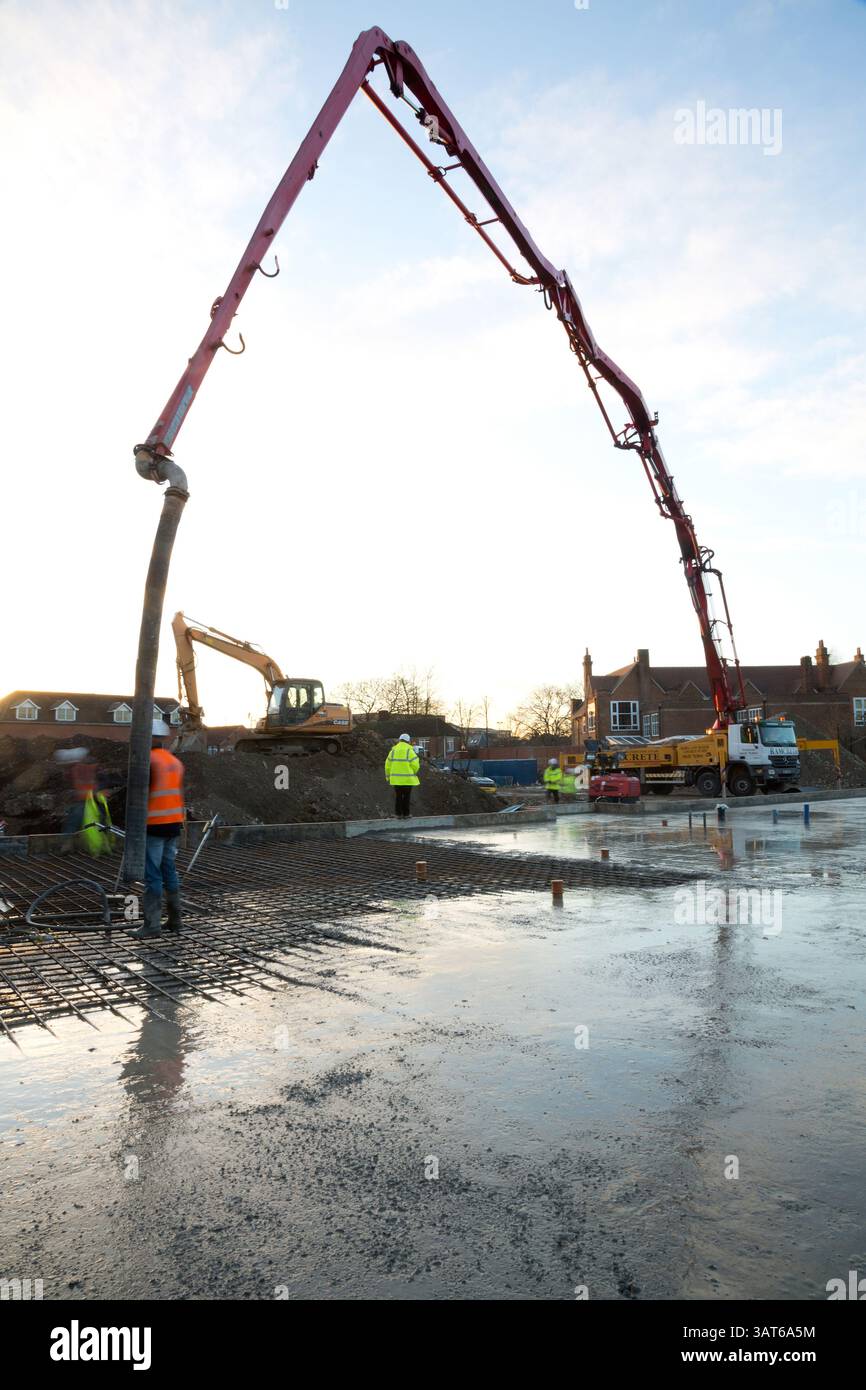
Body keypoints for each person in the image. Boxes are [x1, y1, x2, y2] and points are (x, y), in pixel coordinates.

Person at [131, 719, 185, 941]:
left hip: (154, 825)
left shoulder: (148, 761)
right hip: (174, 824)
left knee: (152, 875)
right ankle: (175, 920)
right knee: (169, 871)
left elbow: (140, 792)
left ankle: (152, 925)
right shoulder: (174, 761)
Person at [385, 732, 420, 818]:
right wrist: (414, 772)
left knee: (398, 797)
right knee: (407, 797)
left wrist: (388, 776)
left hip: (396, 780)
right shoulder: (409, 751)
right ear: (408, 741)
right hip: (408, 779)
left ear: (400, 740)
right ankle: (406, 814)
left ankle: (398, 814)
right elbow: (415, 764)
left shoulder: (393, 751)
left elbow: (387, 764)